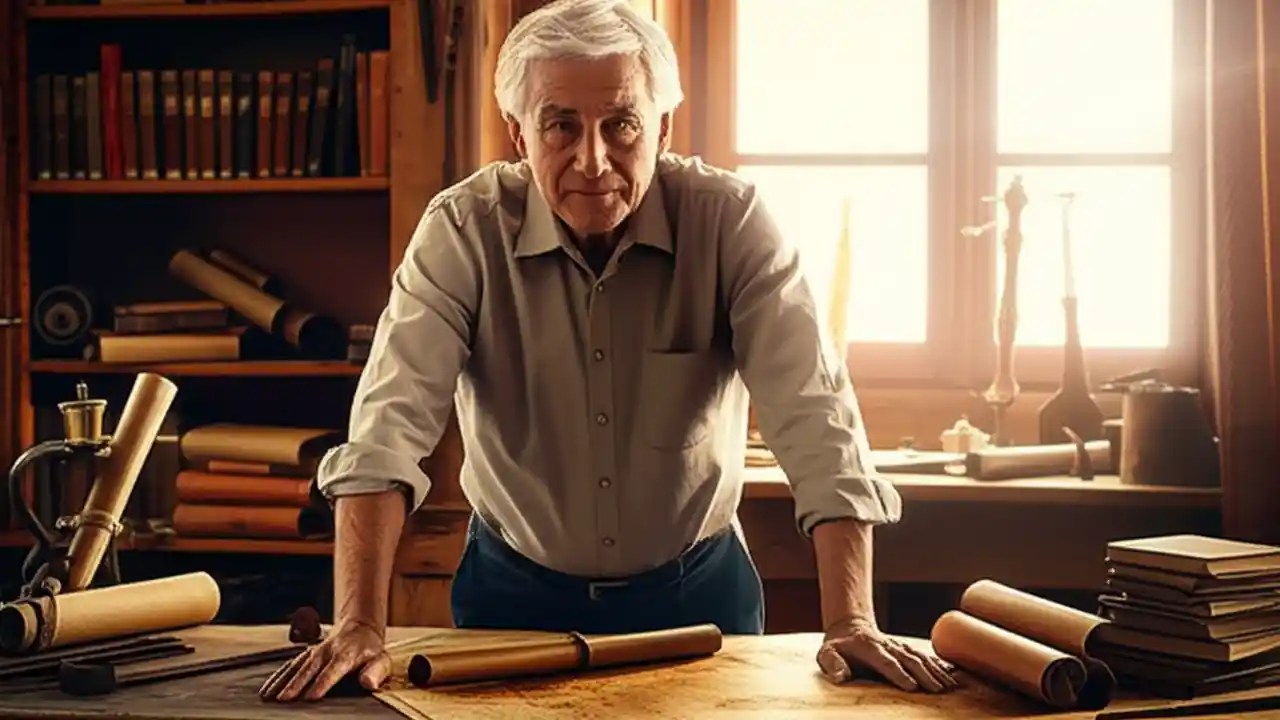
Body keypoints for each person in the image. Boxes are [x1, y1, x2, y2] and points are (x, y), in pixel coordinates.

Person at [259, 0, 957, 703]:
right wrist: (357, 623)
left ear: (661, 127)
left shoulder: (732, 222)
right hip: (513, 600)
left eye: (620, 125)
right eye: (560, 125)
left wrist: (851, 618)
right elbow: (387, 431)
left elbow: (816, 419)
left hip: (700, 598)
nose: (592, 161)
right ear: (517, 133)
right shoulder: (461, 231)